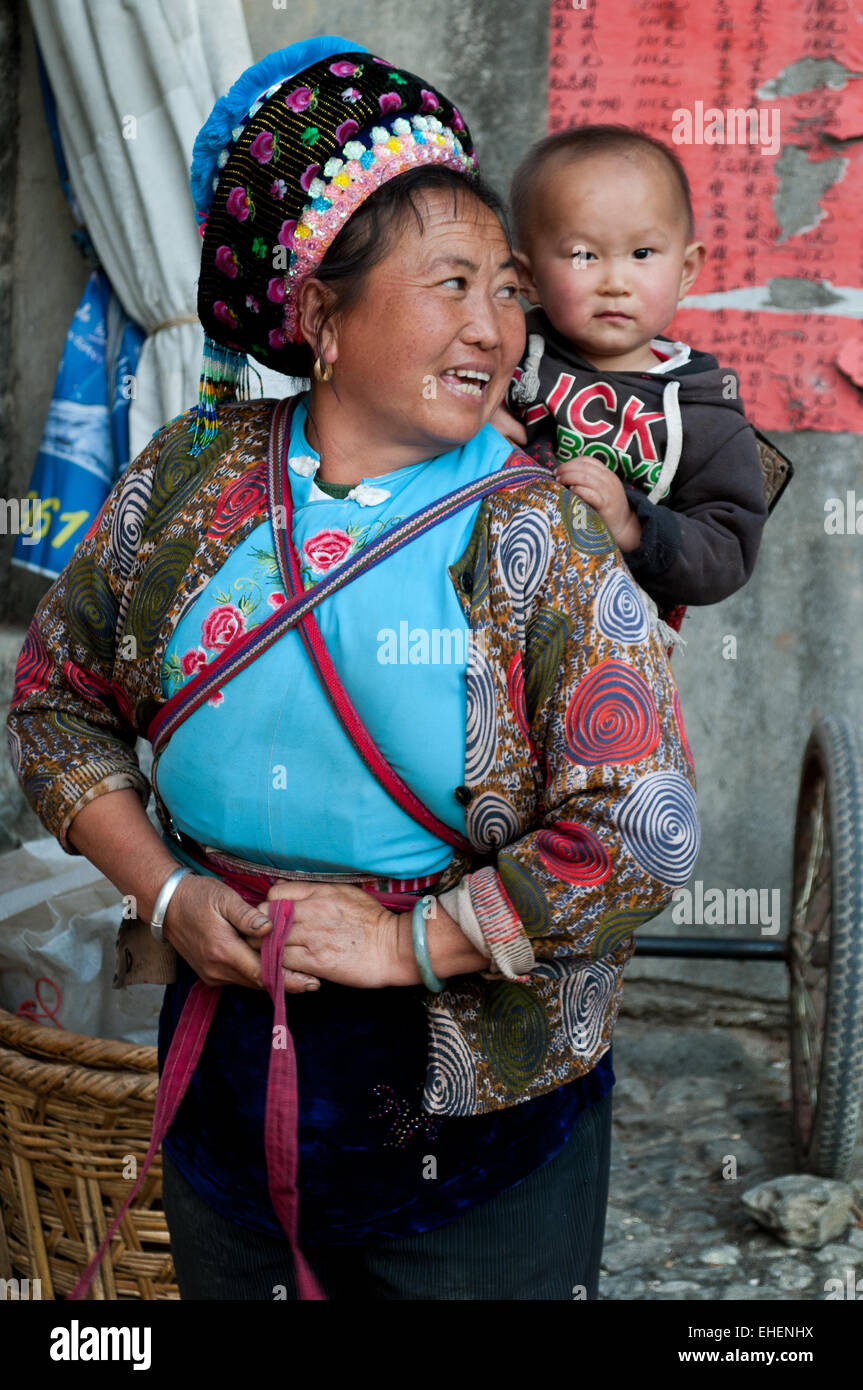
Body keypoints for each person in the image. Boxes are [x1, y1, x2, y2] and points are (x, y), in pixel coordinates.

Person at [6, 40, 699, 1301]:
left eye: (503, 285)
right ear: (321, 316)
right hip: (229, 1083)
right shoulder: (187, 481)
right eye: (447, 285)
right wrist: (165, 897)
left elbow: (642, 828)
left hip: (481, 1109)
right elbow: (57, 706)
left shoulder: (533, 532)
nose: (494, 326)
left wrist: (410, 942)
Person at [495, 125, 768, 614]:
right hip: (479, 608)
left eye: (642, 254)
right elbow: (415, 401)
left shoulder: (704, 411)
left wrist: (632, 525)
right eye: (584, 255)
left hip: (610, 642)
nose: (616, 282)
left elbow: (728, 550)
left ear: (686, 270)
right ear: (530, 277)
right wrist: (471, 418)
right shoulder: (505, 348)